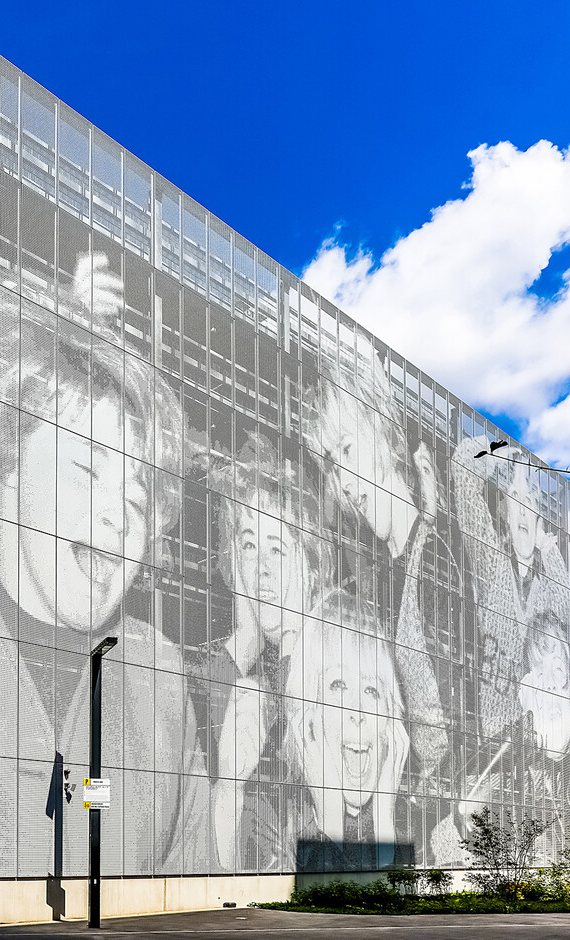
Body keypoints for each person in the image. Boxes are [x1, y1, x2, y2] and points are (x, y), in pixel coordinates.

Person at [0, 251, 210, 877]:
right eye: (87, 470)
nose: (118, 516)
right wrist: (67, 313)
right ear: (7, 462)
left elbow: (191, 887)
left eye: (137, 499)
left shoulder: (161, 680)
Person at [303, 358, 458, 789]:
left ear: (382, 430)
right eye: (333, 464)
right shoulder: (387, 579)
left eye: (348, 450)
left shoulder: (437, 557)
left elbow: (456, 717)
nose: (344, 482)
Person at [205, 433, 326, 867]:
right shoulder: (253, 671)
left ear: (308, 563)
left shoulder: (328, 664)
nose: (262, 569)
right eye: (249, 546)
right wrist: (246, 632)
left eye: (277, 548)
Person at [242, 595, 411, 871]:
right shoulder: (264, 816)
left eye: (372, 690)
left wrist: (384, 824)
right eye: (338, 685)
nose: (358, 711)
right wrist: (329, 820)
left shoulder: (404, 824)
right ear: (307, 713)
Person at [451, 436, 570, 740]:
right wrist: (494, 452)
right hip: (497, 734)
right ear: (505, 515)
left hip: (540, 734)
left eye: (528, 502)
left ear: (536, 521)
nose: (522, 510)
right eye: (515, 498)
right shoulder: (492, 566)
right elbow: (463, 473)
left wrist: (548, 549)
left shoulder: (544, 590)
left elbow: (567, 609)